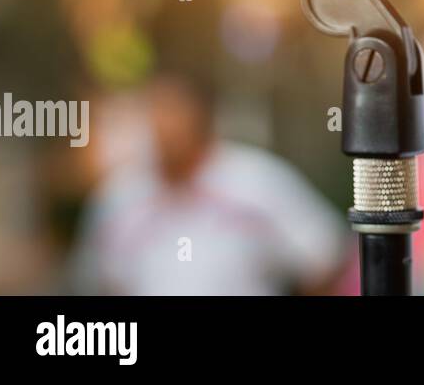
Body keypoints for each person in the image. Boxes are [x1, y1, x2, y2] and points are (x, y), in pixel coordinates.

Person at [71, 73, 347, 295]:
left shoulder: (256, 181)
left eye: (173, 111)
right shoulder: (119, 197)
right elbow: (100, 280)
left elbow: (325, 256)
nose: (163, 125)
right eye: (155, 111)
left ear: (202, 116)